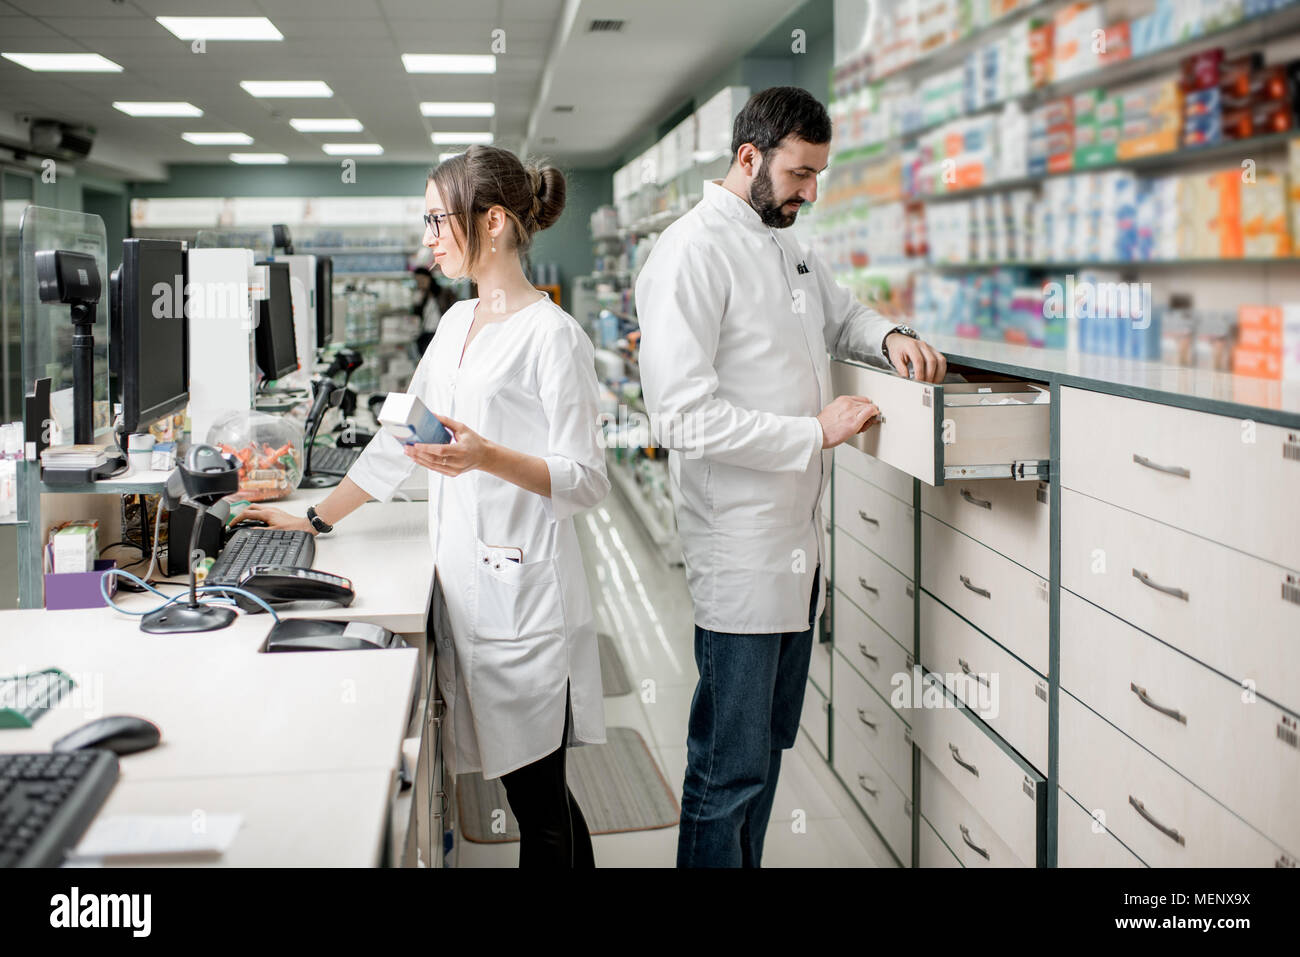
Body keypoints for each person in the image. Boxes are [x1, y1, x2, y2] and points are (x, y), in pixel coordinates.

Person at [239, 145, 610, 868]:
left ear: (493, 222)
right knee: (542, 798)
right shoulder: (455, 324)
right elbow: (395, 440)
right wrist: (313, 518)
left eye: (438, 220)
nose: (429, 237)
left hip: (526, 601)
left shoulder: (554, 337)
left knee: (539, 807)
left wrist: (486, 456)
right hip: (470, 589)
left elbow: (588, 478)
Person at [635, 86, 948, 868]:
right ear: (750, 157)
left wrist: (891, 334)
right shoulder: (690, 252)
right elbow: (679, 417)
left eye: (818, 175)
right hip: (740, 553)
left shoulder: (787, 241)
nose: (811, 192)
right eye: (802, 173)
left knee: (769, 752)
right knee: (728, 768)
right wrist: (813, 432)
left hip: (796, 555)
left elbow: (842, 316)